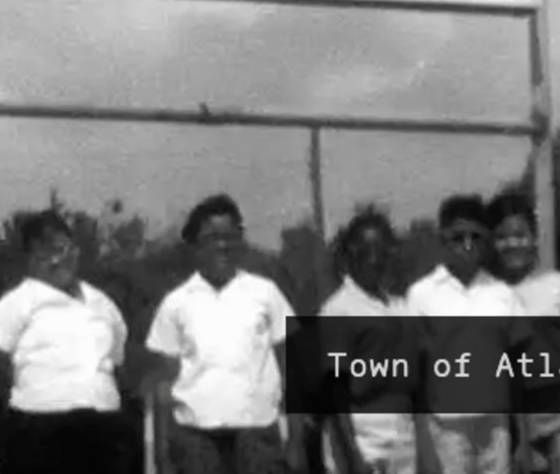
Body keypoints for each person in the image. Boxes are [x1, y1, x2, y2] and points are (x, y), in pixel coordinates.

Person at [146, 193, 308, 474]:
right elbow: (163, 386)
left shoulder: (265, 293)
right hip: (196, 441)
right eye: (212, 238)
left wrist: (296, 441)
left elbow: (291, 368)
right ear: (195, 245)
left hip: (257, 438)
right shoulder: (176, 303)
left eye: (230, 237)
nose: (223, 246)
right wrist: (162, 456)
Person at [0, 209, 135, 474]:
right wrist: (9, 423)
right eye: (45, 254)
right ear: (30, 260)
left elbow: (119, 365)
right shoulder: (17, 303)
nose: (57, 261)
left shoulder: (103, 304)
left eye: (63, 249)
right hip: (39, 432)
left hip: (104, 431)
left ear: (76, 250)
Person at [405, 194, 532, 474]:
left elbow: (517, 374)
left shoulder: (502, 294)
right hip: (446, 429)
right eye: (458, 236)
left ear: (486, 241)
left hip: (496, 428)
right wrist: (423, 444)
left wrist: (522, 437)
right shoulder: (421, 295)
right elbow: (415, 378)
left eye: (476, 237)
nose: (467, 244)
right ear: (443, 240)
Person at [486, 190, 560, 474]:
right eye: (502, 237)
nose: (511, 243)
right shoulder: (489, 296)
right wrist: (518, 437)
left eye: (520, 235)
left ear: (534, 238)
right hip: (520, 425)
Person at [319, 207, 418, 474]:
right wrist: (352, 456)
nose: (377, 258)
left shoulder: (398, 305)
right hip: (363, 437)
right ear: (352, 252)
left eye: (383, 250)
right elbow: (335, 391)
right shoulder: (339, 309)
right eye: (368, 249)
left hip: (401, 435)